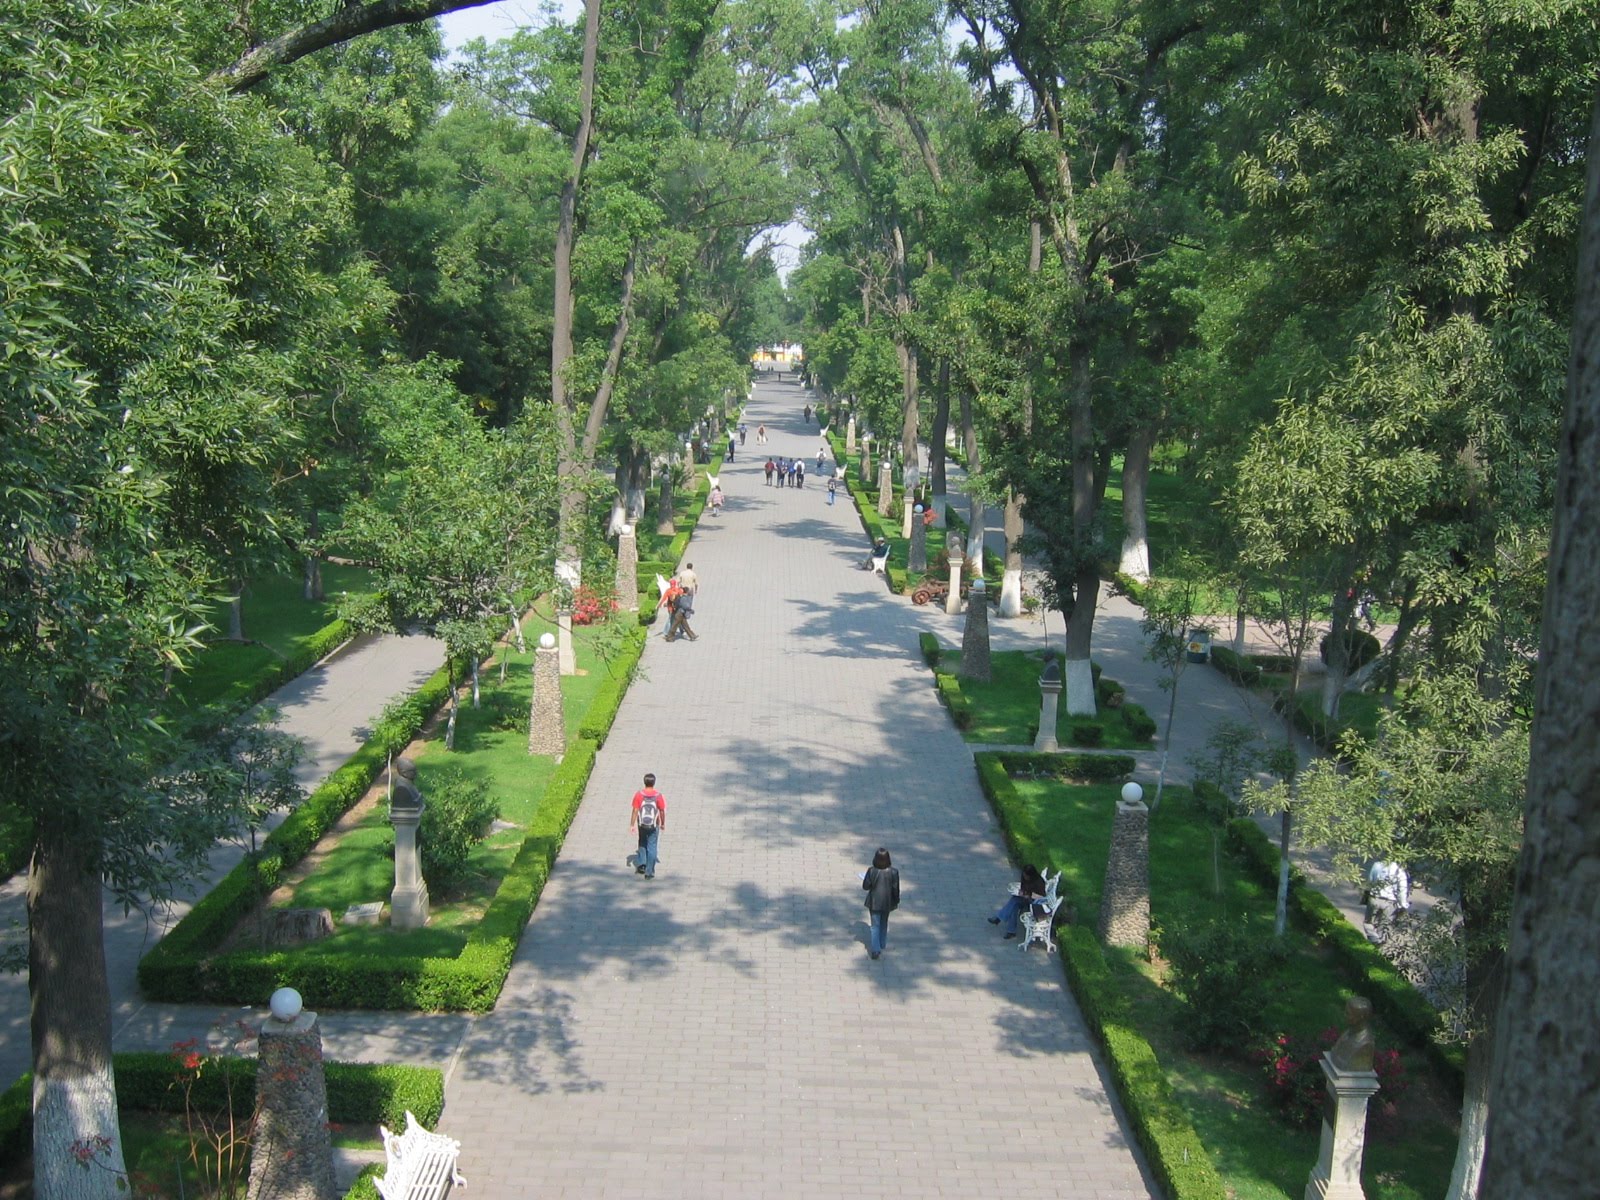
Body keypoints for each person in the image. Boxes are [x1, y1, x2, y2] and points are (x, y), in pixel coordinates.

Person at [988, 864, 1047, 940]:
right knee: (1014, 904)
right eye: (1024, 875)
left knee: (1014, 901)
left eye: (1026, 876)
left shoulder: (1039, 882)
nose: (1025, 877)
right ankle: (1010, 931)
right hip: (1025, 898)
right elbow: (1023, 886)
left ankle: (999, 919)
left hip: (1034, 903)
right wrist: (1022, 892)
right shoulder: (1024, 877)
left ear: (1031, 875)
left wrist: (1029, 895)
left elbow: (1041, 897)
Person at [861, 847, 900, 959]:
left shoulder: (871, 871)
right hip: (887, 902)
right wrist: (896, 900)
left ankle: (875, 950)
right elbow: (895, 889)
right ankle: (882, 943)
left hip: (874, 902)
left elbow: (865, 886)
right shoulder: (894, 872)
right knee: (884, 923)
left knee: (874, 926)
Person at [629, 773, 666, 879]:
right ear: (654, 783)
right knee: (652, 846)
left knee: (642, 842)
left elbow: (635, 810)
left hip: (642, 824)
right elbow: (662, 811)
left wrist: (632, 824)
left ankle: (641, 865)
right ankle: (649, 872)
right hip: (654, 825)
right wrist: (662, 823)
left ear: (644, 782)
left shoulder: (639, 795)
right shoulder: (658, 796)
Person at [1365, 860, 1410, 933]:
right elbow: (1402, 889)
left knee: (1368, 924)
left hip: (1374, 897)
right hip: (1390, 902)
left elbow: (1370, 880)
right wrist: (1403, 905)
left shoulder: (1377, 864)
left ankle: (1372, 940)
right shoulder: (1399, 870)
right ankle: (1378, 942)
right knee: (1384, 927)